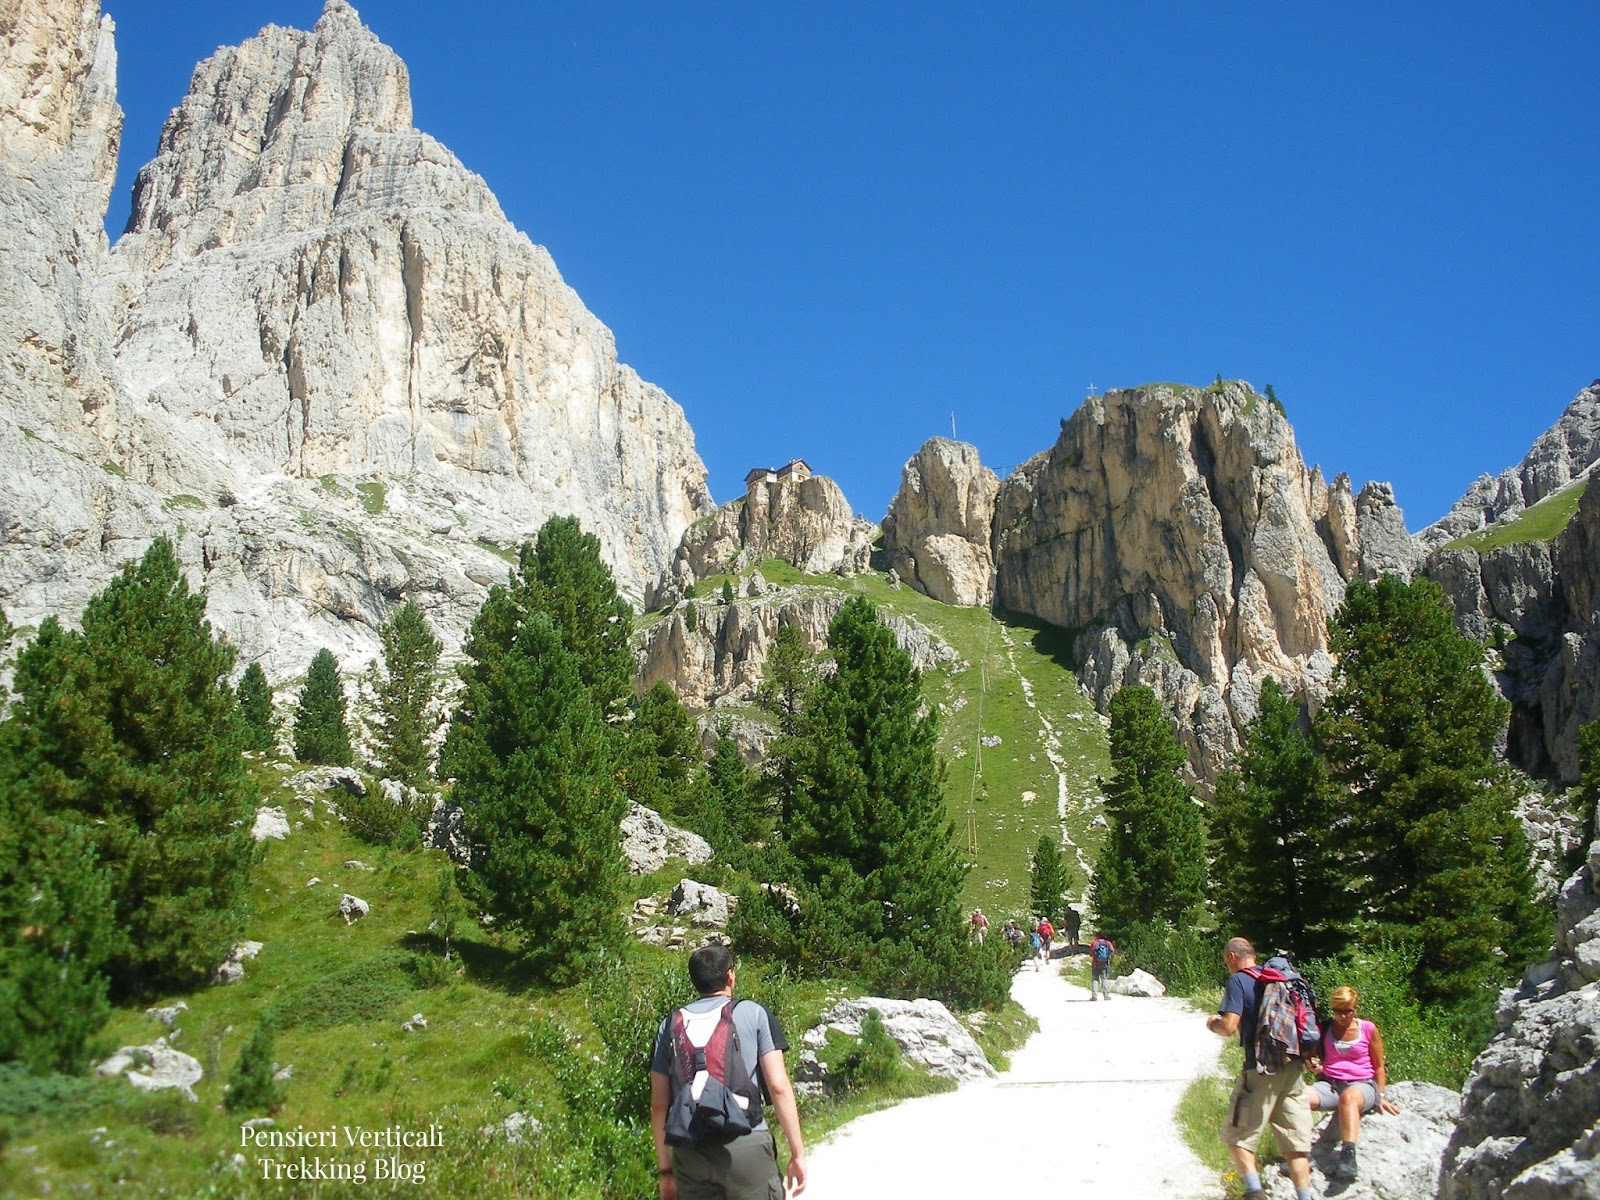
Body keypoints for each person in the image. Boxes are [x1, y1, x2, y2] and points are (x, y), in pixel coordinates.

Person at [649, 944, 807, 1199]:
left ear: (695, 981)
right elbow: (778, 1086)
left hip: (691, 1153)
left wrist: (666, 1172)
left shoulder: (669, 1024)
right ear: (730, 975)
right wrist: (797, 1153)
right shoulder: (754, 1013)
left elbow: (659, 1104)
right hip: (747, 1143)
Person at [1206, 937, 1314, 1200]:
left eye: (1225, 959)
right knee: (1295, 1145)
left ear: (1232, 956)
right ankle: (1305, 1196)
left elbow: (1230, 1026)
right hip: (1293, 1068)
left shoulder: (1239, 980)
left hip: (1261, 1069)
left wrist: (1212, 1023)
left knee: (1238, 1136)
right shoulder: (1278, 979)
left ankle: (1254, 1192)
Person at [1305, 985, 1400, 1181]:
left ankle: (1348, 1156)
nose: (1343, 1016)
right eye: (1338, 1011)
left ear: (1355, 1008)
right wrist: (1313, 1065)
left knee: (1348, 1099)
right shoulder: (1325, 1029)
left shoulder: (1368, 1029)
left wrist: (1381, 1095)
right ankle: (1301, 1153)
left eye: (1348, 1011)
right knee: (1297, 1097)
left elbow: (1379, 1066)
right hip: (1330, 1083)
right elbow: (1312, 1057)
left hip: (1362, 1084)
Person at [1088, 932, 1115, 1000]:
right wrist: (1111, 961)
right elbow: (1112, 953)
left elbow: (1091, 954)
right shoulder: (1108, 943)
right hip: (1105, 964)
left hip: (1095, 964)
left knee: (1095, 979)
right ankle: (1106, 996)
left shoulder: (1094, 943)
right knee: (1104, 979)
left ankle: (1094, 996)